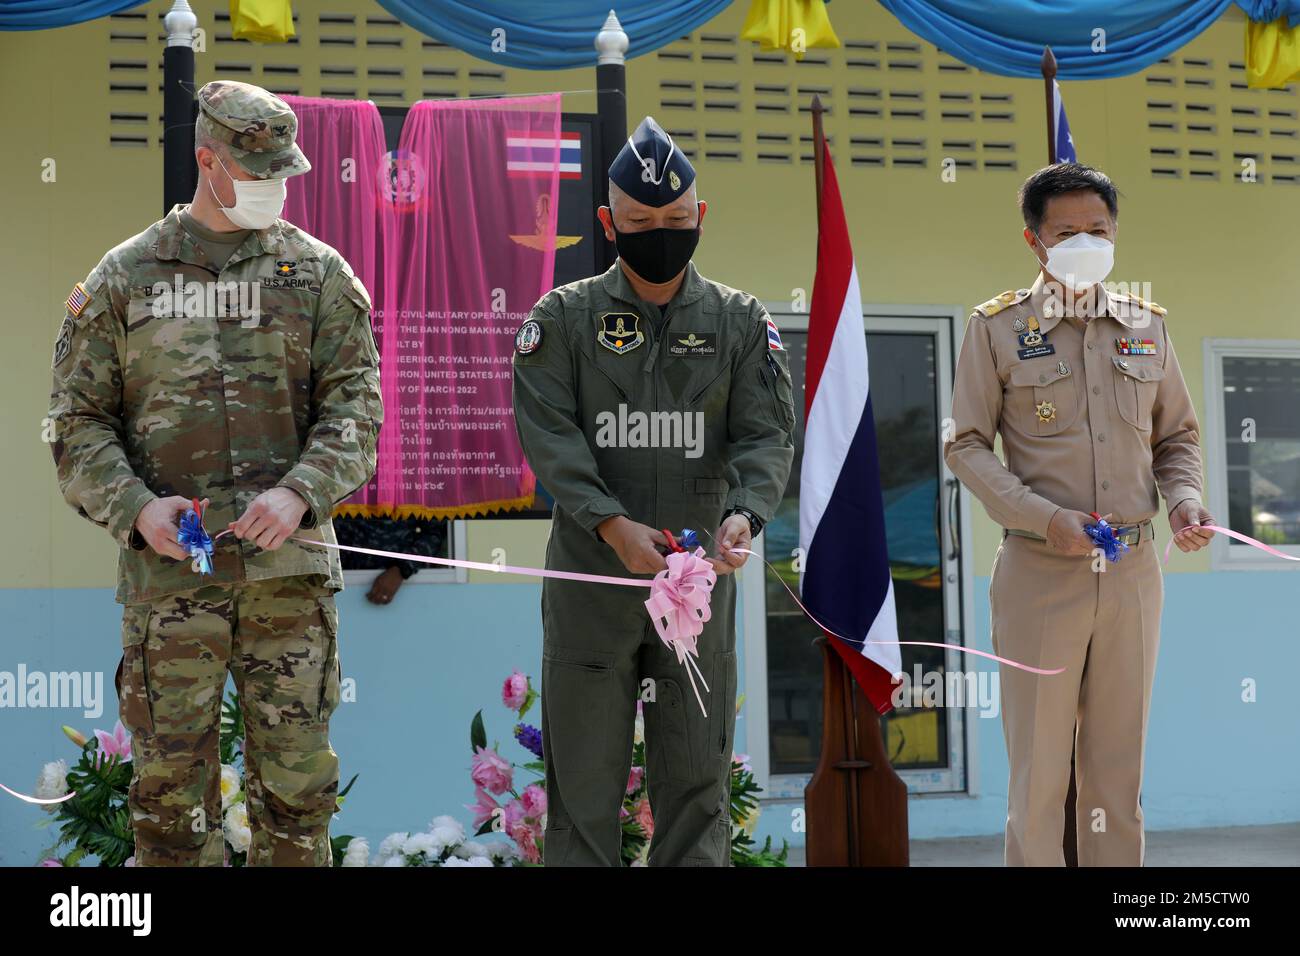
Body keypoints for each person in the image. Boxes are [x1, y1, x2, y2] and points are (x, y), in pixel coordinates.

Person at [47, 80, 382, 866]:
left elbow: (357, 412)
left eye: (282, 175)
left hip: (288, 585)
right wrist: (135, 508)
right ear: (208, 160)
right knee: (169, 812)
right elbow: (76, 423)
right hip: (171, 591)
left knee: (297, 806)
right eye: (256, 171)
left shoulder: (319, 277)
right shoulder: (124, 281)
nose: (272, 188)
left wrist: (300, 492)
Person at [511, 116, 795, 866]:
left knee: (698, 783)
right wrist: (609, 525)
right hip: (591, 583)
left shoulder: (740, 321)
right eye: (641, 222)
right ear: (609, 223)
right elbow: (550, 435)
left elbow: (766, 435)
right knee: (581, 787)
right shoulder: (562, 318)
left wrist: (745, 515)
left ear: (701, 218)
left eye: (675, 220)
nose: (660, 233)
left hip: (696, 586)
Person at [944, 162, 1213, 866]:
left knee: (1117, 769)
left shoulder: (1145, 327)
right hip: (1041, 570)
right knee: (1040, 773)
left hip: (1131, 570)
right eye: (1068, 232)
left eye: (1099, 229)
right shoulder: (998, 328)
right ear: (1034, 240)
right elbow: (965, 444)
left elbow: (1177, 436)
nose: (1086, 242)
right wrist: (1042, 517)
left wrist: (1184, 502)